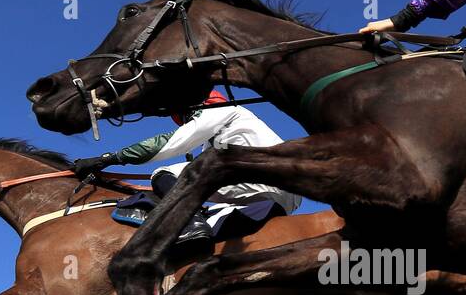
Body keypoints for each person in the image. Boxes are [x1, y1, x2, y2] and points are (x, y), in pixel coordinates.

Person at [72, 90, 301, 244]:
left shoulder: (222, 111)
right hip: (281, 196)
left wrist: (107, 159)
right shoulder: (228, 131)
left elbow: (170, 143)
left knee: (164, 173)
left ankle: (190, 223)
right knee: (187, 176)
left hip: (261, 182)